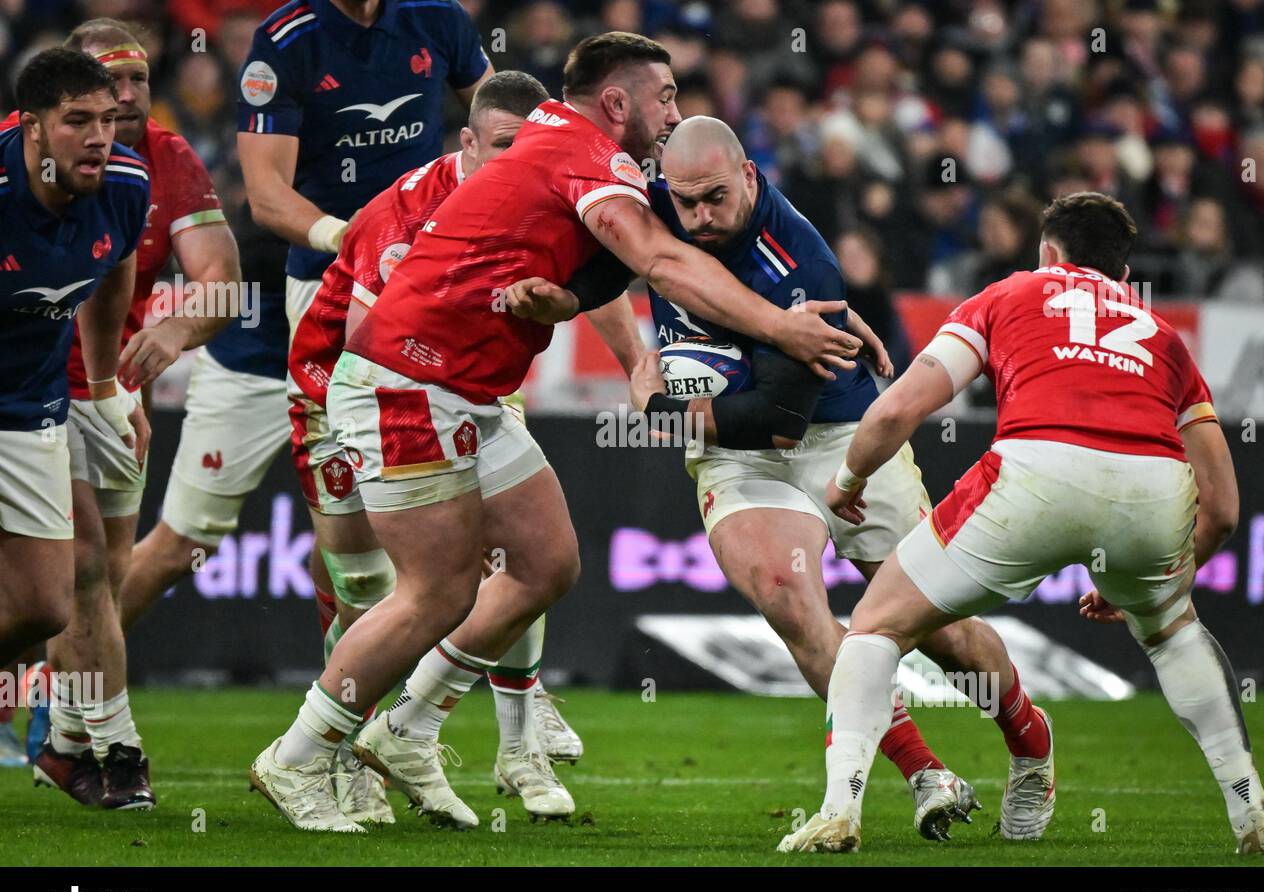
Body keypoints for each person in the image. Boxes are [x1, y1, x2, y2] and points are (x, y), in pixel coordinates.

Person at [249, 31, 861, 833]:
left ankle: (409, 729)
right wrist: (784, 330)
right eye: (666, 97)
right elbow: (664, 264)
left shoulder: (557, 139)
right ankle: (295, 758)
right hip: (410, 381)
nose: (675, 114)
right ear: (617, 104)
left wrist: (570, 305)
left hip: (469, 388)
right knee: (436, 592)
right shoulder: (587, 155)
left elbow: (621, 262)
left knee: (545, 565)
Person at [513, 116, 1048, 842]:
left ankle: (1029, 742)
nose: (699, 217)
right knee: (787, 597)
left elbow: (773, 422)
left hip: (834, 439)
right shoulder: (657, 203)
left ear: (751, 178)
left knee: (940, 634)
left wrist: (657, 409)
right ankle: (925, 772)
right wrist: (568, 300)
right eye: (686, 201)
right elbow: (610, 260)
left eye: (715, 200)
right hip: (736, 459)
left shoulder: (800, 261)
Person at [784, 192, 1264, 856]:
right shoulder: (1162, 337)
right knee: (1173, 635)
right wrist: (1154, 578)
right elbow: (1222, 509)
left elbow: (895, 410)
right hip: (1153, 488)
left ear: (1050, 252)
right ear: (1120, 269)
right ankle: (1251, 810)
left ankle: (839, 812)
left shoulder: (1011, 294)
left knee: (874, 627)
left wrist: (848, 479)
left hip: (1034, 474)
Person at [117, 0, 496, 704]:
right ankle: (65, 684)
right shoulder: (286, 43)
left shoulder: (437, 21)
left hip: (383, 310)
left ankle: (347, 722)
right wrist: (356, 238)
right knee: (182, 542)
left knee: (352, 520)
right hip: (264, 336)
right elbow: (265, 198)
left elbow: (505, 129)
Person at [285, 70, 589, 824]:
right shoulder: (407, 213)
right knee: (375, 590)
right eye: (503, 149)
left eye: (531, 150)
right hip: (342, 393)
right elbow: (367, 343)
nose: (518, 163)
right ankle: (338, 758)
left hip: (461, 385)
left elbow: (601, 280)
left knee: (531, 558)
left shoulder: (535, 199)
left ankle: (460, 736)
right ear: (467, 142)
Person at [2, 18, 240, 812]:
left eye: (129, 92)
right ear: (34, 118)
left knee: (70, 589)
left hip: (56, 394)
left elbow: (144, 275)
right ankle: (109, 740)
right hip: (38, 391)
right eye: (89, 112)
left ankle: (68, 739)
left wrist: (108, 387)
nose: (121, 112)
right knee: (82, 565)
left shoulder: (147, 170)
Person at [0, 49, 151, 791]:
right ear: (32, 129)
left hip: (30, 410)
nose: (100, 137)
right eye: (78, 122)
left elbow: (116, 262)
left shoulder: (124, 184)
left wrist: (102, 383)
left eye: (110, 121)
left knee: (41, 606)